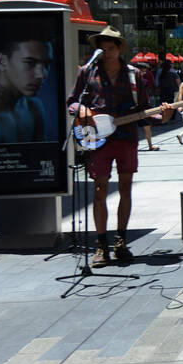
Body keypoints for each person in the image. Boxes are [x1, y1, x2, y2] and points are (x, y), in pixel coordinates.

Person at [68, 27, 163, 267]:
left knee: (125, 188)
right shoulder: (88, 72)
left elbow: (144, 110)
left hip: (126, 137)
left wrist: (163, 115)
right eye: (102, 48)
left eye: (110, 48)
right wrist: (84, 111)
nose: (106, 52)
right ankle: (101, 245)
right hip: (97, 140)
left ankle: (121, 241)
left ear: (119, 48)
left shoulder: (134, 76)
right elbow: (72, 102)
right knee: (99, 191)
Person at [0, 21, 53, 145]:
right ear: (1, 62)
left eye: (46, 64)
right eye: (30, 63)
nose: (41, 74)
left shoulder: (33, 107)